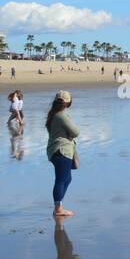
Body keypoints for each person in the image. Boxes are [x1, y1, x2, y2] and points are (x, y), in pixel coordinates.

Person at [46, 90, 79, 218]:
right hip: (61, 150)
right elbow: (76, 132)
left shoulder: (53, 114)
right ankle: (58, 208)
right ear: (68, 102)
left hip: (56, 150)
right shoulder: (61, 115)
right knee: (61, 179)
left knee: (67, 178)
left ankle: (59, 206)